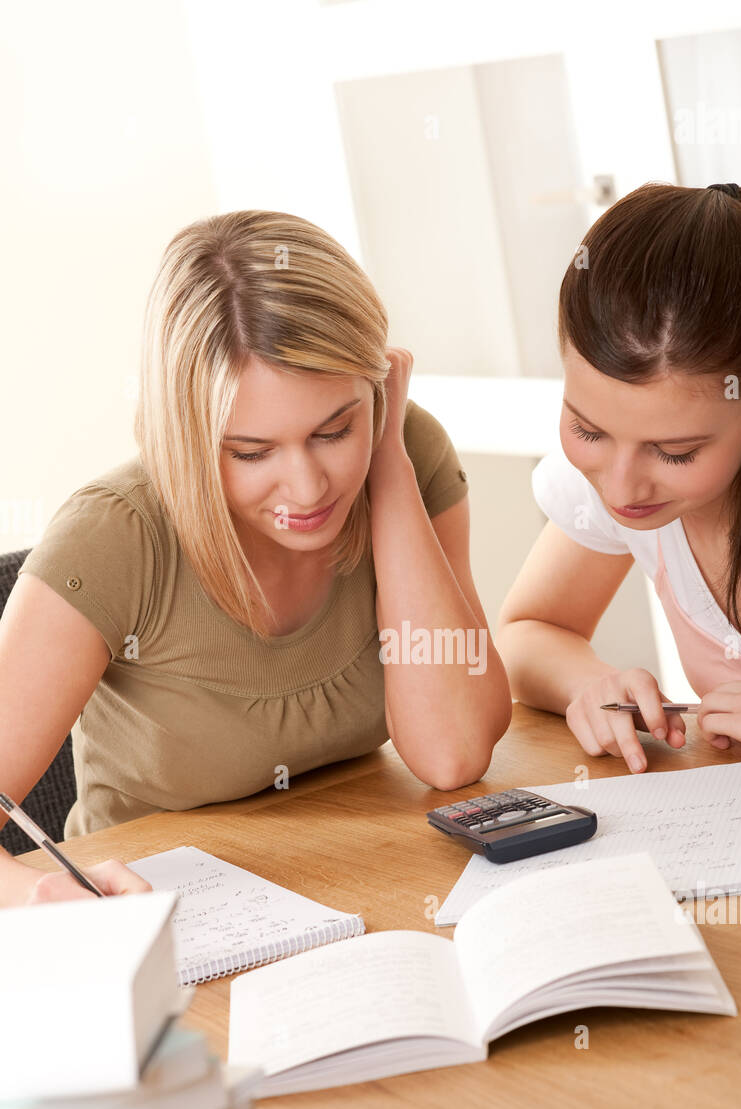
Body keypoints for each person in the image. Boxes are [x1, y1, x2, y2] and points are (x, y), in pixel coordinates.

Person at [0, 210, 511, 907]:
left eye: (334, 430)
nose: (307, 488)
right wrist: (41, 896)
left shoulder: (405, 451)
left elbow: (452, 753)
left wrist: (388, 462)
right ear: (184, 436)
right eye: (251, 452)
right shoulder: (113, 537)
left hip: (359, 885)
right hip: (158, 915)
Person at [498, 182, 741, 774]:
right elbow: (529, 630)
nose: (620, 489)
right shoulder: (620, 470)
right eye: (587, 429)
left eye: (674, 452)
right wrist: (591, 685)